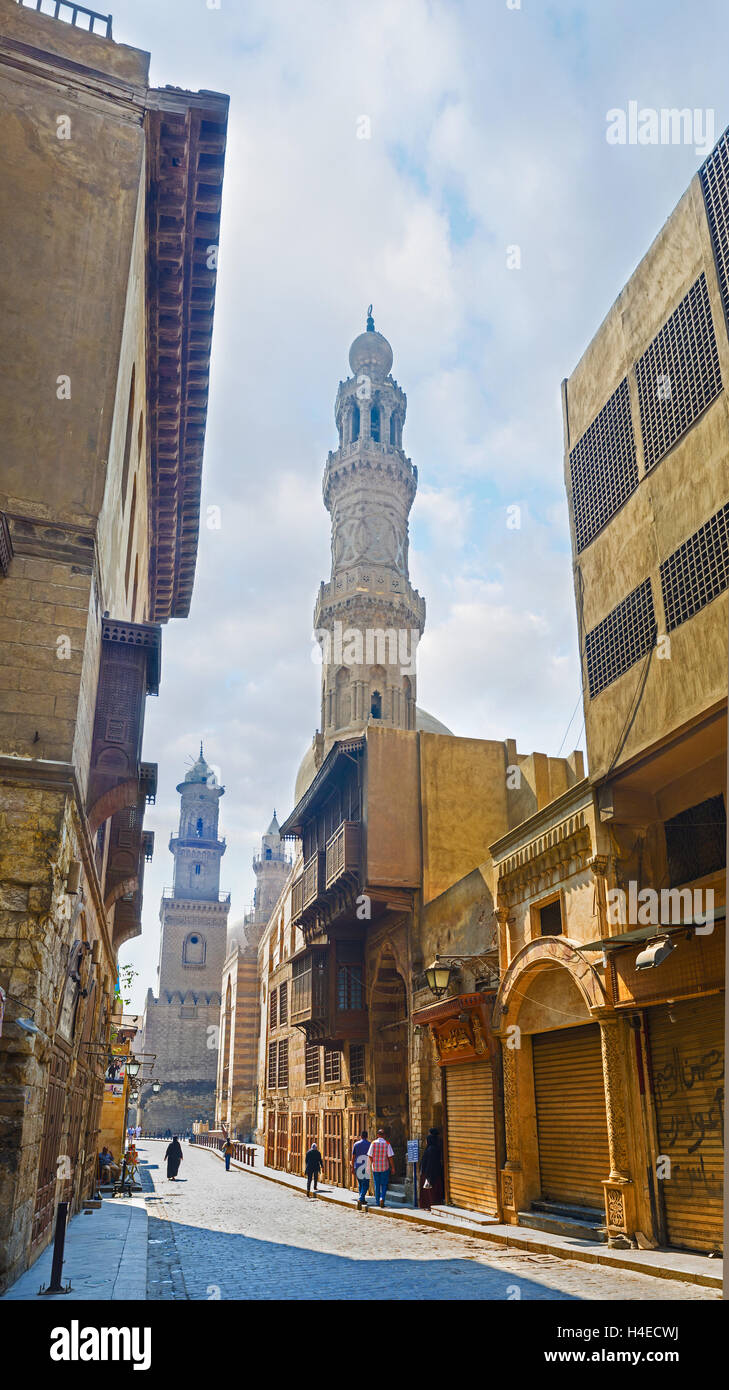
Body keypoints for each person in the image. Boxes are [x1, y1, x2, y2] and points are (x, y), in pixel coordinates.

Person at [367, 1128, 395, 1208]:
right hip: (384, 1167)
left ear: (377, 1135)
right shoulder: (387, 1144)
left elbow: (370, 1155)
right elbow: (390, 1157)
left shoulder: (373, 1143)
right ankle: (382, 1198)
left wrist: (372, 1163)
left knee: (377, 1184)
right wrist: (393, 1167)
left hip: (375, 1168)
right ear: (384, 1135)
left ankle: (377, 1201)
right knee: (384, 1184)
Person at [419, 1127, 444, 1210]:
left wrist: (427, 1176)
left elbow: (429, 1164)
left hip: (430, 1174)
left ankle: (431, 1205)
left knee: (430, 1192)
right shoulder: (435, 1148)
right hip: (435, 1173)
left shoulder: (431, 1149)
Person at [351, 1129, 371, 1210]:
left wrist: (352, 1167)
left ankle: (362, 1199)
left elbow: (353, 1157)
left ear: (361, 1136)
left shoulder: (356, 1144)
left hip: (358, 1165)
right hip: (366, 1166)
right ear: (367, 1136)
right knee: (366, 1184)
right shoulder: (370, 1144)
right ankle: (361, 1198)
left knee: (360, 1183)